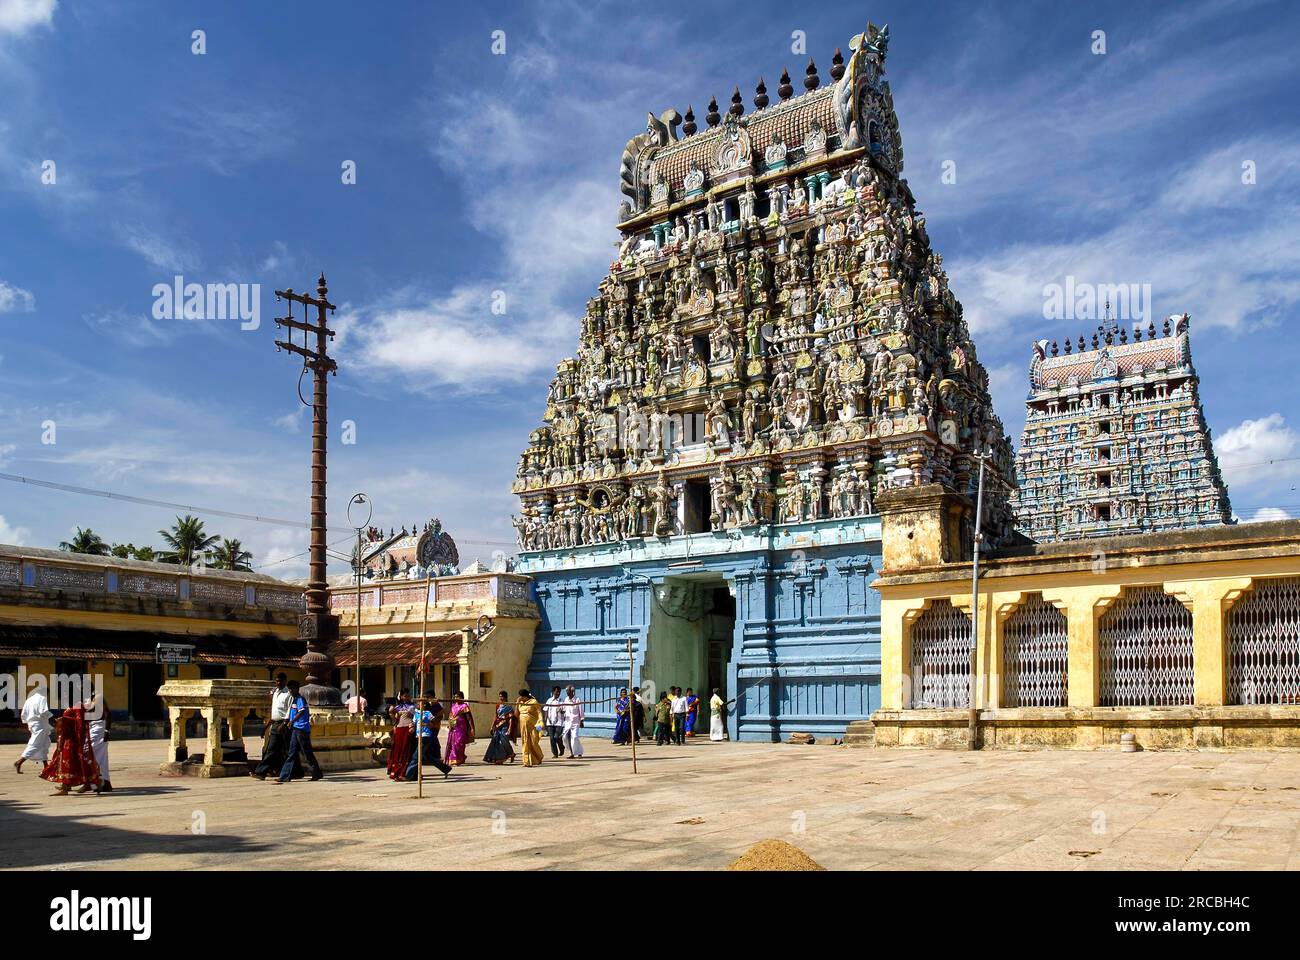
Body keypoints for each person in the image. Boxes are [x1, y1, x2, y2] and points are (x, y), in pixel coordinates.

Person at [40, 702, 99, 795]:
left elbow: (81, 723)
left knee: (68, 763)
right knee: (68, 762)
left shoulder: (78, 706)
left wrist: (65, 720)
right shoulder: (72, 706)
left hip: (73, 740)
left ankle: (66, 788)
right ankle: (67, 785)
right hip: (67, 738)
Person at [276, 680, 322, 783]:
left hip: (302, 729)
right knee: (291, 753)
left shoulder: (300, 699)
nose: (291, 690)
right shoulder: (294, 700)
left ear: (297, 689)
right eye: (289, 689)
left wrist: (292, 721)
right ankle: (284, 776)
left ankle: (316, 772)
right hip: (296, 729)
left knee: (307, 752)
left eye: (293, 688)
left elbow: (301, 712)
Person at [253, 673, 294, 781]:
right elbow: (274, 711)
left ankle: (261, 772)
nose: (278, 683)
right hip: (275, 723)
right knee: (273, 749)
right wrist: (266, 727)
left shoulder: (288, 694)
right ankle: (292, 771)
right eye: (276, 681)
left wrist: (284, 724)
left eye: (280, 681)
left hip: (283, 724)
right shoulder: (275, 692)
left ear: (285, 681)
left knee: (282, 750)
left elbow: (290, 710)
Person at [405, 697, 452, 780]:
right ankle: (445, 768)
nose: (419, 705)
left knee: (416, 757)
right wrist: (412, 727)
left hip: (426, 736)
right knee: (427, 756)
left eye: (421, 703)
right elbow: (414, 723)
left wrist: (427, 724)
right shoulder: (416, 713)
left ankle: (408, 775)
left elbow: (433, 723)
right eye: (418, 703)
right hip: (419, 736)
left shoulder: (427, 713)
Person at [14, 682, 52, 774]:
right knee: (35, 744)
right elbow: (43, 712)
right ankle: (19, 762)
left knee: (44, 744)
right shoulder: (42, 698)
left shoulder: (29, 700)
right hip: (40, 724)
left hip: (32, 724)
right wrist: (51, 716)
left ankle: (46, 767)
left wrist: (28, 722)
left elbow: (23, 714)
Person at [80, 693, 112, 794]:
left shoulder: (97, 698)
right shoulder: (89, 701)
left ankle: (92, 784)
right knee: (99, 759)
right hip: (93, 729)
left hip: (99, 730)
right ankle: (102, 784)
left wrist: (107, 731)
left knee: (90, 755)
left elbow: (108, 714)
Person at [385, 689, 416, 781]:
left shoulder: (413, 706)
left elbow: (416, 718)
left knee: (406, 750)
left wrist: (413, 726)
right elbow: (396, 719)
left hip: (408, 729)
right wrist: (391, 712)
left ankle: (405, 772)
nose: (407, 697)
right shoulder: (398, 707)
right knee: (398, 750)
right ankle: (396, 771)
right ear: (401, 697)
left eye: (408, 695)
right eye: (405, 696)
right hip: (399, 729)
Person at [482, 691, 517, 765]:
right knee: (497, 742)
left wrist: (510, 728)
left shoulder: (509, 706)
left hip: (505, 725)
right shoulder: (498, 705)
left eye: (502, 696)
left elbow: (511, 718)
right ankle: (500, 758)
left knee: (504, 741)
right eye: (500, 696)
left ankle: (510, 753)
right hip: (498, 725)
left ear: (505, 697)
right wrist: (492, 726)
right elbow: (495, 716)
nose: (500, 698)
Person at [444, 691, 474, 765]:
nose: (456, 698)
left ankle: (460, 757)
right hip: (454, 727)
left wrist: (471, 728)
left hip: (461, 727)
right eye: (455, 697)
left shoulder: (464, 706)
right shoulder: (453, 706)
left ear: (462, 697)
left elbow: (469, 718)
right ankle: (456, 759)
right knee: (453, 743)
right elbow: (450, 715)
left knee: (459, 743)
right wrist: (449, 724)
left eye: (458, 697)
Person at [516, 690, 546, 767]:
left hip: (534, 725)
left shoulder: (533, 702)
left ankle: (539, 757)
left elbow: (539, 712)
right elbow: (516, 714)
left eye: (522, 696)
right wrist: (517, 703)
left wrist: (541, 722)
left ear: (525, 696)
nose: (520, 698)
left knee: (534, 742)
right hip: (523, 726)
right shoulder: (521, 703)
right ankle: (526, 761)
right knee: (525, 742)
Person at [561, 685, 584, 758]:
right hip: (567, 722)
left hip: (575, 722)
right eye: (566, 691)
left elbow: (581, 711)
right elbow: (564, 709)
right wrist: (562, 711)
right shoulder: (566, 699)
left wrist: (582, 721)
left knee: (574, 737)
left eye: (568, 691)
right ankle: (572, 752)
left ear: (572, 691)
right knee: (565, 737)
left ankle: (578, 752)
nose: (567, 693)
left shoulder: (577, 700)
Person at [544, 686, 566, 758]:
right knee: (551, 738)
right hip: (550, 722)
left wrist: (561, 711)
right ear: (553, 692)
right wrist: (545, 720)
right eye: (557, 692)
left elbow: (564, 712)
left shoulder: (561, 701)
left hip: (559, 722)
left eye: (559, 692)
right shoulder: (549, 700)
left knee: (556, 737)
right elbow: (546, 710)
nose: (558, 693)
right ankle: (555, 753)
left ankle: (561, 747)